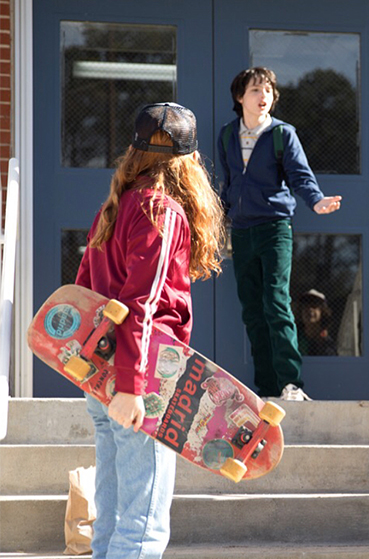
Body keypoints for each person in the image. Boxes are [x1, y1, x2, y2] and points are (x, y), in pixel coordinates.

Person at [75, 102, 226, 559]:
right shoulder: (162, 212)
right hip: (142, 375)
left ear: (135, 153)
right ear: (188, 161)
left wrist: (95, 371)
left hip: (102, 370)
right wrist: (133, 385)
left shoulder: (114, 207)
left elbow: (81, 292)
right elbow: (142, 305)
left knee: (115, 507)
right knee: (143, 522)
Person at [216, 67, 342, 401]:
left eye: (269, 91)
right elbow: (228, 186)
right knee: (253, 312)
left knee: (276, 303)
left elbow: (300, 175)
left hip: (274, 228)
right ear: (240, 97)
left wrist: (316, 201)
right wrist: (219, 222)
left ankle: (291, 384)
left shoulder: (282, 134)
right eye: (256, 90)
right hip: (242, 232)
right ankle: (268, 388)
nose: (264, 96)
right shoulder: (228, 135)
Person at [296, 288, 337, 356]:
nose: (310, 309)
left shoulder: (328, 346)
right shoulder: (294, 340)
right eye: (306, 306)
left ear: (322, 312)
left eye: (314, 305)